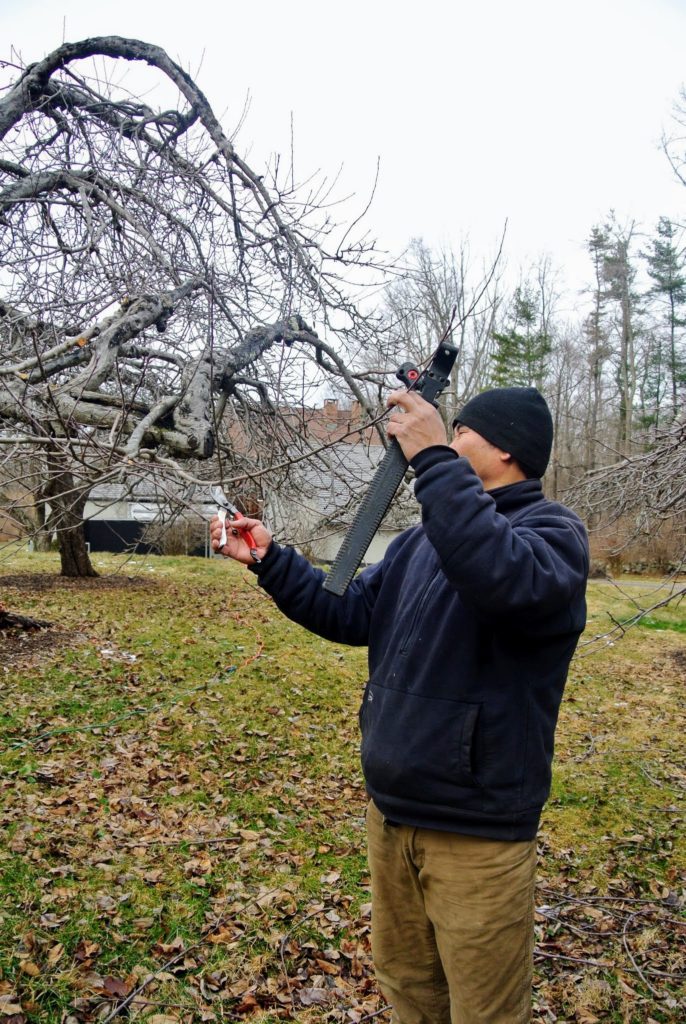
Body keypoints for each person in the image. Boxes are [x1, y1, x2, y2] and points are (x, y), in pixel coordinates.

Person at [210, 385, 589, 1024]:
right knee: (410, 990)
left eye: (460, 429)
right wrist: (272, 561)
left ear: (505, 449)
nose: (446, 438)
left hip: (477, 836)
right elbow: (350, 610)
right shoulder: (423, 542)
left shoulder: (551, 537)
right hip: (392, 818)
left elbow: (501, 579)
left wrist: (436, 460)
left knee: (484, 1012)